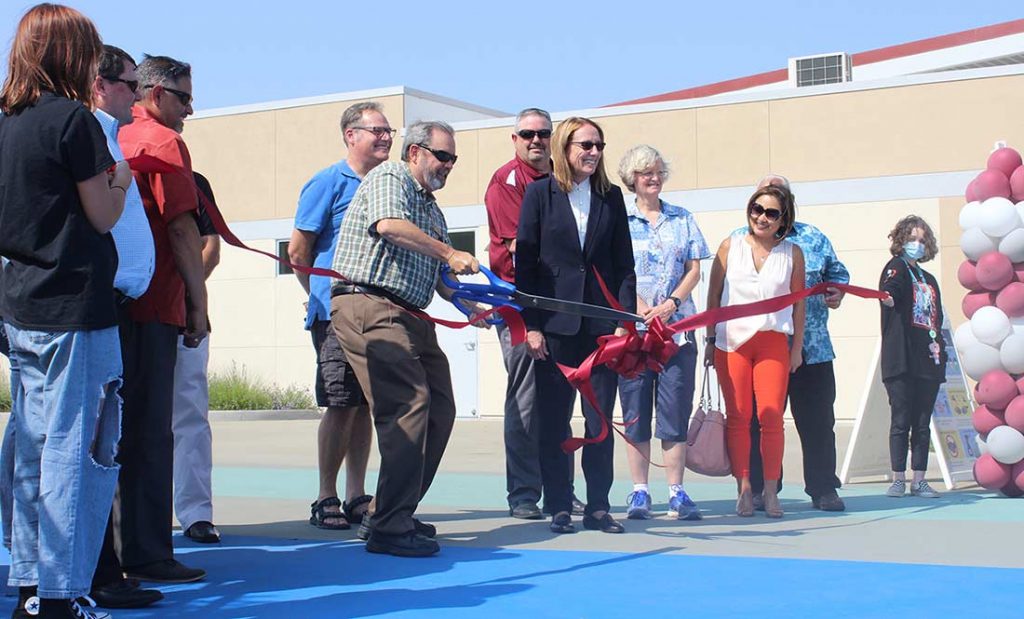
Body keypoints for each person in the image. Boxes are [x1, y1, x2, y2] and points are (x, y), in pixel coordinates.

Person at [0, 5, 129, 616]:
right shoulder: (73, 121)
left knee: (30, 442)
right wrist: (120, 179)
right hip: (75, 304)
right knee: (78, 446)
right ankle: (61, 592)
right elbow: (102, 214)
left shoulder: (5, 122)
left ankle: (29, 582)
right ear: (71, 55)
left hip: (20, 302)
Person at [330, 120, 487, 557]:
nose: (449, 165)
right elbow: (389, 226)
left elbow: (442, 277)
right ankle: (389, 526)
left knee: (439, 407)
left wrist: (470, 307)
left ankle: (392, 510)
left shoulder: (433, 211)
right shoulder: (390, 177)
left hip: (410, 312)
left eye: (453, 158)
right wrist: (450, 252)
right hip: (371, 303)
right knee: (408, 403)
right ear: (415, 152)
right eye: (442, 155)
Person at [517, 116, 636, 535]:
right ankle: (560, 505)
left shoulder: (612, 197)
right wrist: (531, 326)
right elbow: (525, 268)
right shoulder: (538, 195)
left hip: (601, 329)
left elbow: (624, 265)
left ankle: (600, 507)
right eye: (586, 145)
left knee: (599, 421)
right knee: (554, 422)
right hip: (554, 328)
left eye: (599, 145)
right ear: (565, 148)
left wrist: (623, 321)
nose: (593, 152)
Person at [114, 53, 207, 583]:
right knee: (151, 432)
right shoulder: (163, 143)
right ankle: (147, 553)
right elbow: (181, 230)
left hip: (109, 307)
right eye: (184, 96)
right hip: (154, 306)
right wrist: (198, 305)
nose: (191, 108)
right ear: (152, 92)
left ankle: (113, 548)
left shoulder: (111, 137)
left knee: (112, 433)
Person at [87, 44, 165, 610]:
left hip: (114, 304)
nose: (136, 98)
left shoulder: (106, 134)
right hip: (90, 308)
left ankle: (102, 567)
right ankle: (91, 573)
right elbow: (99, 214)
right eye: (128, 85)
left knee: (102, 441)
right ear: (99, 83)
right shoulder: (87, 134)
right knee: (90, 446)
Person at [289, 102, 390, 530]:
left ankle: (355, 494)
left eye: (389, 130)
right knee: (340, 403)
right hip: (335, 315)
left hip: (378, 311)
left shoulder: (388, 184)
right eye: (377, 130)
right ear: (351, 135)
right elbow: (298, 251)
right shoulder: (328, 182)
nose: (386, 137)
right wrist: (323, 299)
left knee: (364, 404)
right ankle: (325, 495)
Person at [484, 107, 585, 520]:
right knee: (526, 402)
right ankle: (525, 492)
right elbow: (521, 250)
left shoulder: (565, 182)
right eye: (527, 134)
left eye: (544, 133)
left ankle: (560, 490)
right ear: (515, 139)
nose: (536, 141)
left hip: (562, 308)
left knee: (560, 402)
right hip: (520, 309)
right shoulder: (507, 182)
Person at [615, 145, 709, 521]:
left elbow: (694, 268)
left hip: (676, 334)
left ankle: (676, 491)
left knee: (673, 412)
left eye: (656, 171)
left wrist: (671, 302)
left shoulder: (682, 218)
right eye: (643, 173)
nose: (652, 178)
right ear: (632, 180)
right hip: (634, 334)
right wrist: (637, 306)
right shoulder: (619, 221)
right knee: (635, 411)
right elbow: (612, 269)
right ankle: (639, 492)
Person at [746, 175, 850, 513]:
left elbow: (838, 273)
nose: (765, 211)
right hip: (761, 347)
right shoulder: (740, 241)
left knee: (818, 421)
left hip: (813, 348)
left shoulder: (813, 237)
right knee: (762, 420)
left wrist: (837, 290)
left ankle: (823, 489)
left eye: (776, 202)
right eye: (759, 204)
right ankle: (761, 488)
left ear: (788, 205)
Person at [705, 184, 805, 519]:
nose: (762, 217)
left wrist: (797, 348)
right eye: (756, 210)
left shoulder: (792, 253)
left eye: (771, 213)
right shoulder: (729, 246)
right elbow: (714, 295)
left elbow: (798, 304)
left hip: (773, 341)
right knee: (738, 416)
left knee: (771, 416)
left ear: (782, 219)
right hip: (731, 342)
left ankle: (771, 491)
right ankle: (744, 488)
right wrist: (708, 340)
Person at [879, 215, 946, 499]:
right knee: (901, 418)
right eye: (911, 239)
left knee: (922, 421)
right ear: (900, 241)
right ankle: (898, 478)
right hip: (901, 357)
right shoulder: (896, 268)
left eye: (921, 240)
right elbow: (890, 293)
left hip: (927, 357)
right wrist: (888, 298)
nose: (916, 245)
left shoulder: (929, 279)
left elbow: (936, 316)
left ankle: (919, 479)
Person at [171, 170, 221, 543]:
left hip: (184, 316)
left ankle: (196, 513)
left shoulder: (193, 182)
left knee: (190, 414)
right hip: (126, 316)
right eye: (183, 103)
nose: (187, 108)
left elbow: (211, 248)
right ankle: (132, 522)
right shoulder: (109, 168)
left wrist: (188, 295)